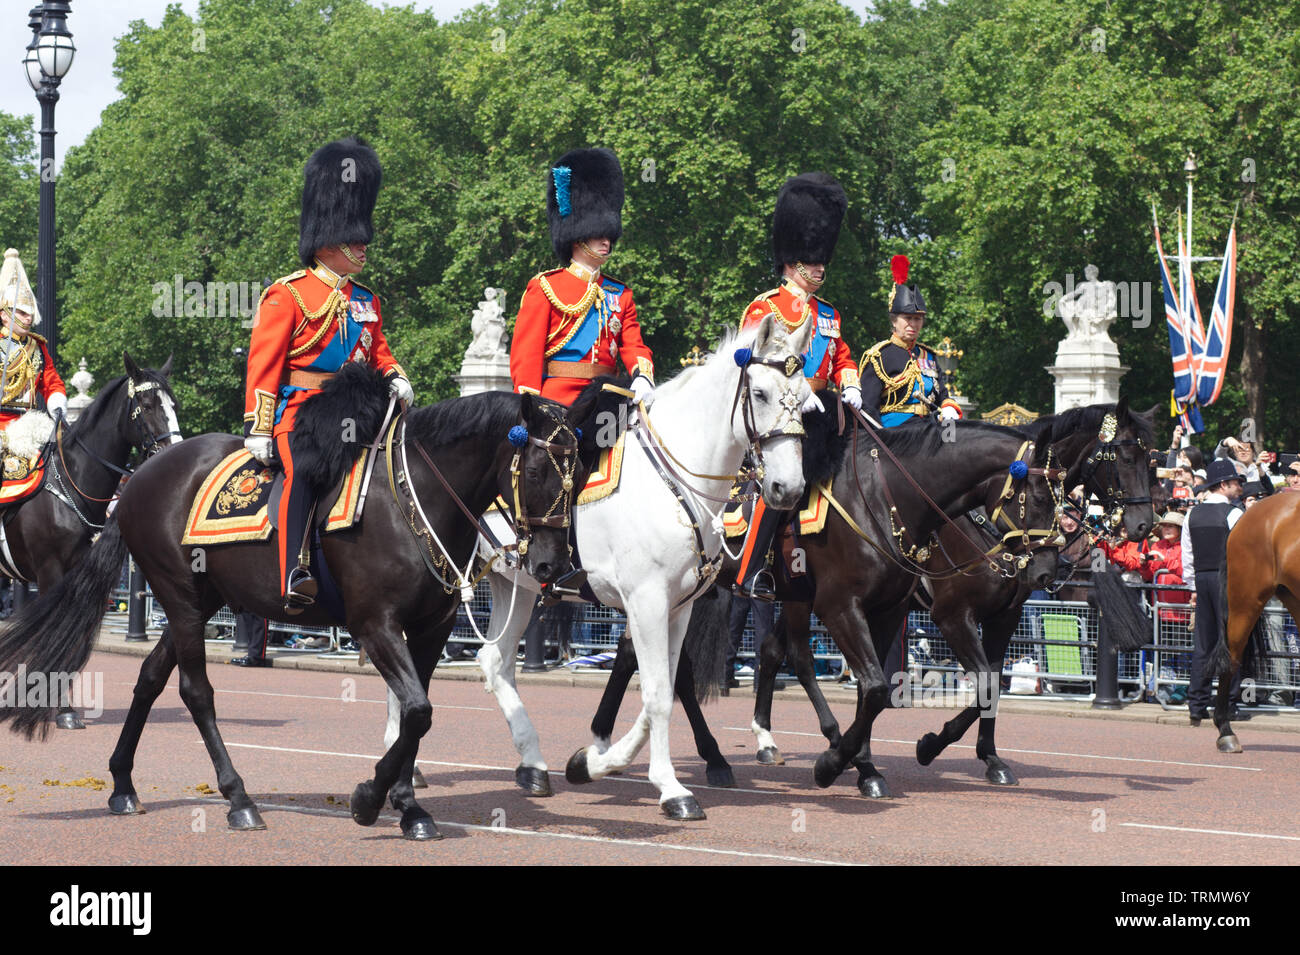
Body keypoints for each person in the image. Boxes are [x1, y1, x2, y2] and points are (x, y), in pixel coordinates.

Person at [244, 137, 413, 614]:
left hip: (362, 410)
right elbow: (264, 362)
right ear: (328, 240)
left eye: (362, 239)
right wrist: (258, 426)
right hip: (302, 411)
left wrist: (396, 375)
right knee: (304, 470)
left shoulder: (366, 299)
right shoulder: (287, 295)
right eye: (354, 240)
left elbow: (378, 350)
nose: (363, 247)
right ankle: (294, 570)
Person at [733, 172, 859, 601]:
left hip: (828, 410)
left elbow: (842, 357)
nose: (820, 266)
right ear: (791, 261)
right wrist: (799, 385)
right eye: (812, 258)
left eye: (822, 258)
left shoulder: (828, 312)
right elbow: (751, 364)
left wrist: (851, 382)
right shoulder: (765, 307)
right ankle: (753, 571)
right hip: (785, 414)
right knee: (783, 483)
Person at [509, 147, 654, 406]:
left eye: (609, 235)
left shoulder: (620, 294)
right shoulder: (545, 287)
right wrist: (530, 408)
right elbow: (527, 356)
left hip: (609, 398)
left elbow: (633, 345)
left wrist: (643, 375)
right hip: (560, 402)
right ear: (577, 236)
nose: (606, 241)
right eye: (599, 234)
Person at [858, 255, 963, 428]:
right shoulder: (879, 355)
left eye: (918, 319)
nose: (913, 324)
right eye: (908, 318)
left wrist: (949, 407)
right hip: (896, 434)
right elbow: (868, 408)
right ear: (894, 320)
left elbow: (943, 394)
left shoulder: (928, 356)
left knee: (957, 441)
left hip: (929, 427)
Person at [1181, 458, 1248, 724]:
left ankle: (1196, 705)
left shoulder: (1191, 514)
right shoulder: (1234, 513)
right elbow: (1242, 553)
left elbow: (1187, 555)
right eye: (1235, 482)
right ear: (1224, 484)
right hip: (1227, 580)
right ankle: (1227, 704)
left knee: (1203, 645)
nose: (1239, 487)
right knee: (1231, 642)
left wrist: (1193, 586)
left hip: (1202, 579)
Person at [0, 248, 67, 442]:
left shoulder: (37, 346)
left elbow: (52, 382)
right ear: (4, 315)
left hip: (28, 424)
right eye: (22, 313)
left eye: (30, 313)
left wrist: (57, 402)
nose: (28, 318)